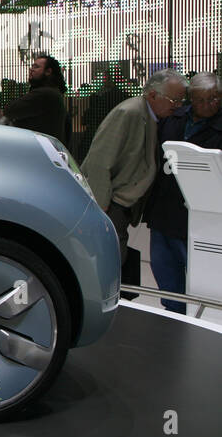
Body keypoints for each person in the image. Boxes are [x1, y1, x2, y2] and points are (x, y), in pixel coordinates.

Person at [81, 68, 187, 265]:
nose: (179, 106)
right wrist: (102, 205)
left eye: (182, 101)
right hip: (111, 204)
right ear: (153, 95)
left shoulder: (152, 117)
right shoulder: (129, 113)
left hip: (122, 204)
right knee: (110, 260)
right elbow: (99, 160)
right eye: (175, 101)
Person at [144, 72, 222, 313]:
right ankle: (173, 315)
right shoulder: (173, 118)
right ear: (190, 98)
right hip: (164, 210)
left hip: (202, 217)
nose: (207, 105)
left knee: (201, 277)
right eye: (200, 100)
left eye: (214, 99)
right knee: (165, 272)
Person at [3, 54, 68, 140]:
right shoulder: (54, 93)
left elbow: (10, 110)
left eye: (36, 67)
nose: (31, 70)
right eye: (32, 66)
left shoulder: (44, 94)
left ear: (48, 72)